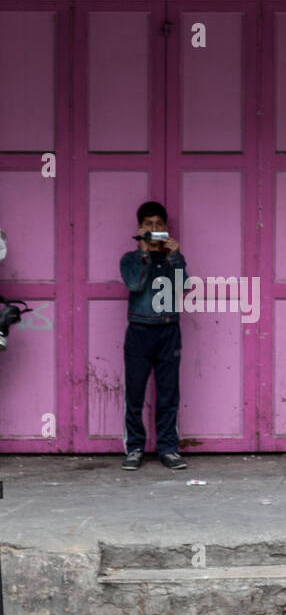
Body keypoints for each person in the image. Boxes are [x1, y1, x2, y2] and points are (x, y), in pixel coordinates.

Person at [119, 201, 188, 471]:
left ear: (166, 229)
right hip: (139, 331)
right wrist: (145, 255)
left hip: (169, 330)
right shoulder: (129, 259)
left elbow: (183, 286)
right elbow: (134, 284)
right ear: (139, 228)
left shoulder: (172, 259)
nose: (154, 229)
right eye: (149, 225)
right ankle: (134, 448)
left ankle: (168, 449)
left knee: (168, 394)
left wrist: (176, 257)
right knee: (135, 393)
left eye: (159, 225)